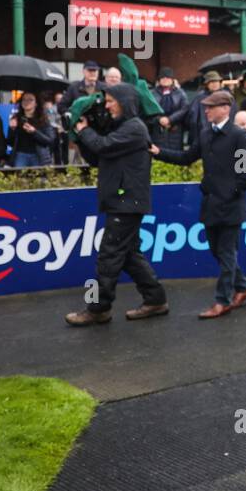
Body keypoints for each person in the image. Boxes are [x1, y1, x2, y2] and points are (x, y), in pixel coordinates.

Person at [151, 89, 246, 319]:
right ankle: (243, 287)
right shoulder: (205, 134)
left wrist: (233, 192)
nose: (206, 110)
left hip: (230, 207)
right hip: (211, 205)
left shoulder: (237, 136)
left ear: (225, 109)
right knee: (218, 251)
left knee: (226, 253)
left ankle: (223, 301)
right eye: (206, 107)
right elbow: (187, 157)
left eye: (211, 107)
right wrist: (158, 152)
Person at [66, 84, 168, 325]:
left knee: (108, 255)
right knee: (129, 254)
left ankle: (98, 308)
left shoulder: (134, 128)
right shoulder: (123, 128)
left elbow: (102, 145)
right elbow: (97, 156)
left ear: (126, 102)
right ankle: (155, 299)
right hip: (124, 202)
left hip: (126, 202)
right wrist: (82, 134)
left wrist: (83, 131)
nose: (107, 105)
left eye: (111, 101)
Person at [171, 70, 224, 147]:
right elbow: (192, 117)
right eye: (211, 82)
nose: (214, 84)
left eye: (216, 81)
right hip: (203, 136)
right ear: (206, 84)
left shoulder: (226, 96)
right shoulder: (200, 98)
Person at [6, 91, 56, 167]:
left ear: (36, 103)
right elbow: (10, 142)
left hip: (39, 156)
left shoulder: (43, 119)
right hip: (20, 156)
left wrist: (34, 132)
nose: (27, 102)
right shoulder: (16, 118)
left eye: (30, 99)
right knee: (20, 178)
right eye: (24, 99)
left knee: (38, 178)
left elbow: (50, 140)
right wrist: (12, 129)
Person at [151, 67, 187, 151]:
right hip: (157, 130)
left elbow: (184, 109)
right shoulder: (152, 93)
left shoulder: (180, 93)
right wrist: (160, 119)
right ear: (159, 80)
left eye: (167, 77)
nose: (165, 79)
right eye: (162, 77)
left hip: (175, 130)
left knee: (175, 155)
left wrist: (170, 119)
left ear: (172, 79)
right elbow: (149, 110)